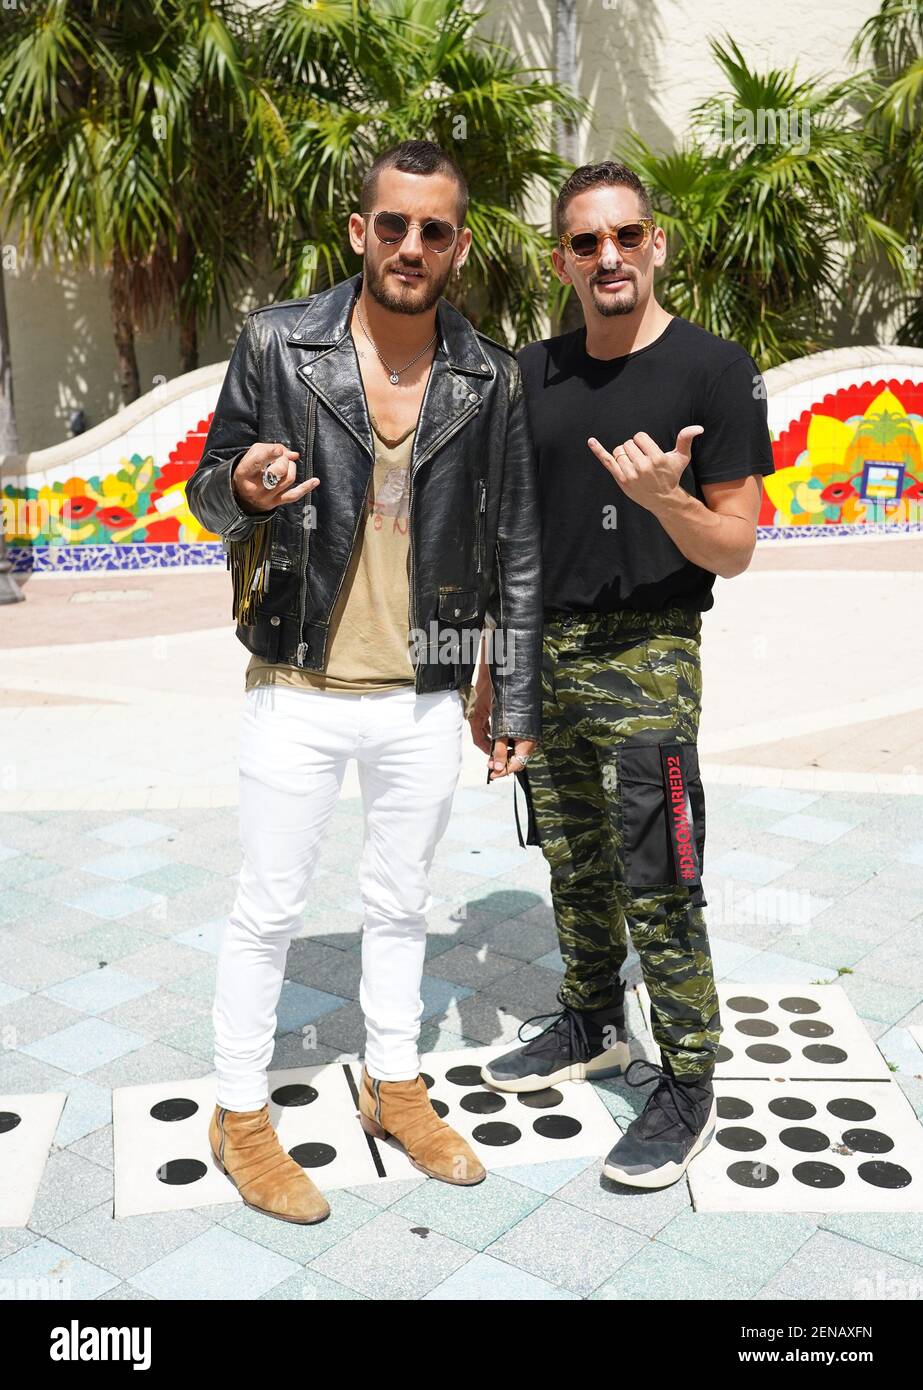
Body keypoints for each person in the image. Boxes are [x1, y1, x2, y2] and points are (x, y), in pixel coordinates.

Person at [185, 140, 542, 1222]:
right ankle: (240, 1113)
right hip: (297, 676)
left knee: (401, 903)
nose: (410, 245)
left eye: (434, 229)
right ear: (358, 230)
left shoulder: (490, 376)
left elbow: (516, 542)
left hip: (425, 688)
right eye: (392, 223)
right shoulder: (278, 344)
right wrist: (241, 491)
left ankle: (395, 1085)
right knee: (269, 906)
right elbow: (209, 490)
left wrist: (508, 692)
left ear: (458, 245)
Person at [476, 160, 774, 1189]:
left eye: (625, 235)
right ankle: (592, 1016)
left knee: (656, 870)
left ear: (655, 244)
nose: (607, 256)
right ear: (560, 259)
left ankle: (688, 1076)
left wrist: (662, 501)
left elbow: (732, 545)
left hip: (647, 649)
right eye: (584, 241)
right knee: (569, 854)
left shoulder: (712, 369)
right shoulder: (531, 373)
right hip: (543, 650)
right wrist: (492, 671)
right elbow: (511, 535)